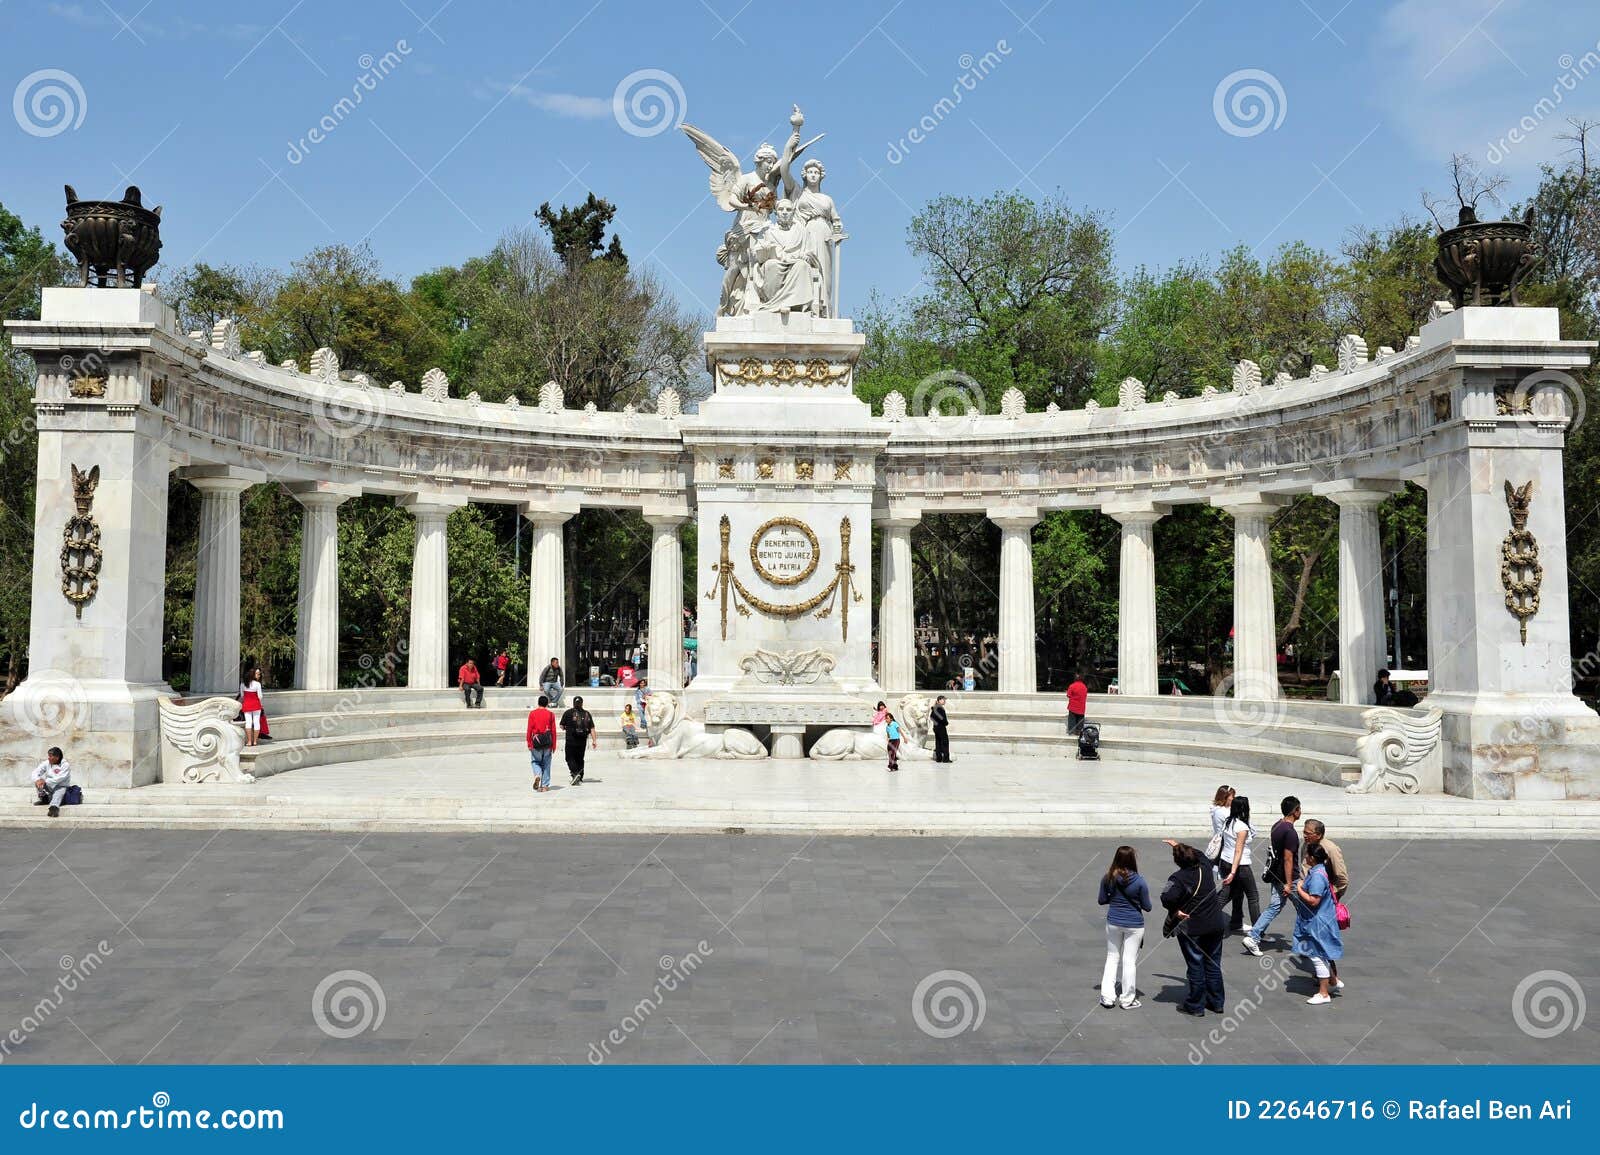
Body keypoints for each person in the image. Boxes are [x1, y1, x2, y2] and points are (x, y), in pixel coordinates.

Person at [1161, 840, 1226, 1017]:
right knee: (1213, 963)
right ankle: (1216, 1002)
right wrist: (1179, 845)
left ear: (1178, 862)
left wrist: (1176, 911)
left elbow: (1166, 898)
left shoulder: (1178, 878)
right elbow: (1202, 854)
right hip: (1215, 924)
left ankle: (1196, 1004)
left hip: (1193, 927)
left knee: (1195, 964)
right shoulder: (1204, 867)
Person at [1242, 795, 1302, 956]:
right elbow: (1288, 858)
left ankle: (1253, 936)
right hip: (1289, 877)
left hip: (1275, 874)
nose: (1300, 812)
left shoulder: (1277, 825)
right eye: (1299, 809)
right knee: (1304, 909)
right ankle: (1303, 944)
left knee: (1274, 907)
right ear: (1295, 811)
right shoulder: (1290, 833)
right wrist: (1289, 883)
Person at [1097, 845, 1151, 1009]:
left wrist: (1113, 898)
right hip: (1134, 924)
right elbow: (1147, 906)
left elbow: (1101, 900)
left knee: (1112, 957)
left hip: (1113, 921)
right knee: (1129, 961)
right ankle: (1127, 999)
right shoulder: (1140, 881)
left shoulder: (1108, 878)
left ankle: (1107, 997)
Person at [1292, 842, 1344, 1004]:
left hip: (1317, 922)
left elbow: (1314, 901)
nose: (1305, 857)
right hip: (1320, 920)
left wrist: (1299, 888)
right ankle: (1333, 982)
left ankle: (1323, 993)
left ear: (1313, 858)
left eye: (1307, 855)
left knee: (1317, 956)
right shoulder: (1320, 871)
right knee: (1324, 954)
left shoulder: (1317, 876)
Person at [1302, 818, 1349, 990]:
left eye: (1308, 833)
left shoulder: (1330, 849)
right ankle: (1328, 977)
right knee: (1316, 940)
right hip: (1310, 901)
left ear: (1319, 834)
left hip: (1321, 904)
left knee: (1322, 941)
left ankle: (1331, 980)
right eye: (1304, 832)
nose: (1305, 836)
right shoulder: (1307, 846)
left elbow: (1343, 878)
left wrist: (1328, 896)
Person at [1220, 795, 1260, 934]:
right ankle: (1258, 931)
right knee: (1253, 896)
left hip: (1225, 860)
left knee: (1228, 894)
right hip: (1240, 865)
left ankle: (1204, 916)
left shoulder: (1228, 821)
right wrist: (1233, 872)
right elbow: (1239, 850)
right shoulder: (1242, 827)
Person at [560, 695, 598, 785]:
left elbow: (561, 725)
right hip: (582, 741)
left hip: (571, 740)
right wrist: (594, 740)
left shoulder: (568, 713)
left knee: (569, 757)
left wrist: (566, 728)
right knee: (580, 759)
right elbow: (592, 728)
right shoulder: (587, 714)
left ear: (574, 703)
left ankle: (575, 773)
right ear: (582, 703)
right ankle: (580, 776)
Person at [526, 694, 557, 792]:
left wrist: (529, 743)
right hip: (547, 742)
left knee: (535, 761)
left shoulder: (532, 714)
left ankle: (537, 775)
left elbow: (529, 729)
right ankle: (545, 785)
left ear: (538, 703)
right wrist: (554, 745)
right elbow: (553, 731)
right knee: (547, 763)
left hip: (536, 742)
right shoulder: (551, 714)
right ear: (547, 704)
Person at [32, 747, 71, 818]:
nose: (49, 758)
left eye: (50, 756)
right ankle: (44, 799)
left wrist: (45, 781)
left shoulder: (65, 765)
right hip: (48, 785)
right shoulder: (47, 763)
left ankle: (53, 808)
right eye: (48, 756)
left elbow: (59, 778)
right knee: (38, 782)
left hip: (60, 786)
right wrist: (38, 779)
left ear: (57, 757)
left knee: (58, 792)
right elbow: (36, 771)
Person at [238, 665, 265, 748]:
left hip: (246, 704)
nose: (258, 675)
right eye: (257, 674)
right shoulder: (257, 684)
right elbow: (260, 696)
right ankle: (255, 741)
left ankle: (249, 741)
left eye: (259, 674)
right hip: (256, 705)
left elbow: (242, 696)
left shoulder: (243, 684)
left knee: (248, 722)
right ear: (252, 674)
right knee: (256, 722)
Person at [930, 695, 953, 763]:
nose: (945, 701)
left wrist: (935, 724)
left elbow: (931, 717)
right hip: (941, 727)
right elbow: (940, 717)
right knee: (945, 742)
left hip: (936, 727)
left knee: (938, 742)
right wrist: (945, 722)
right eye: (943, 700)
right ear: (939, 700)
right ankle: (946, 759)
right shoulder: (939, 707)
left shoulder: (935, 707)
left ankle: (939, 758)